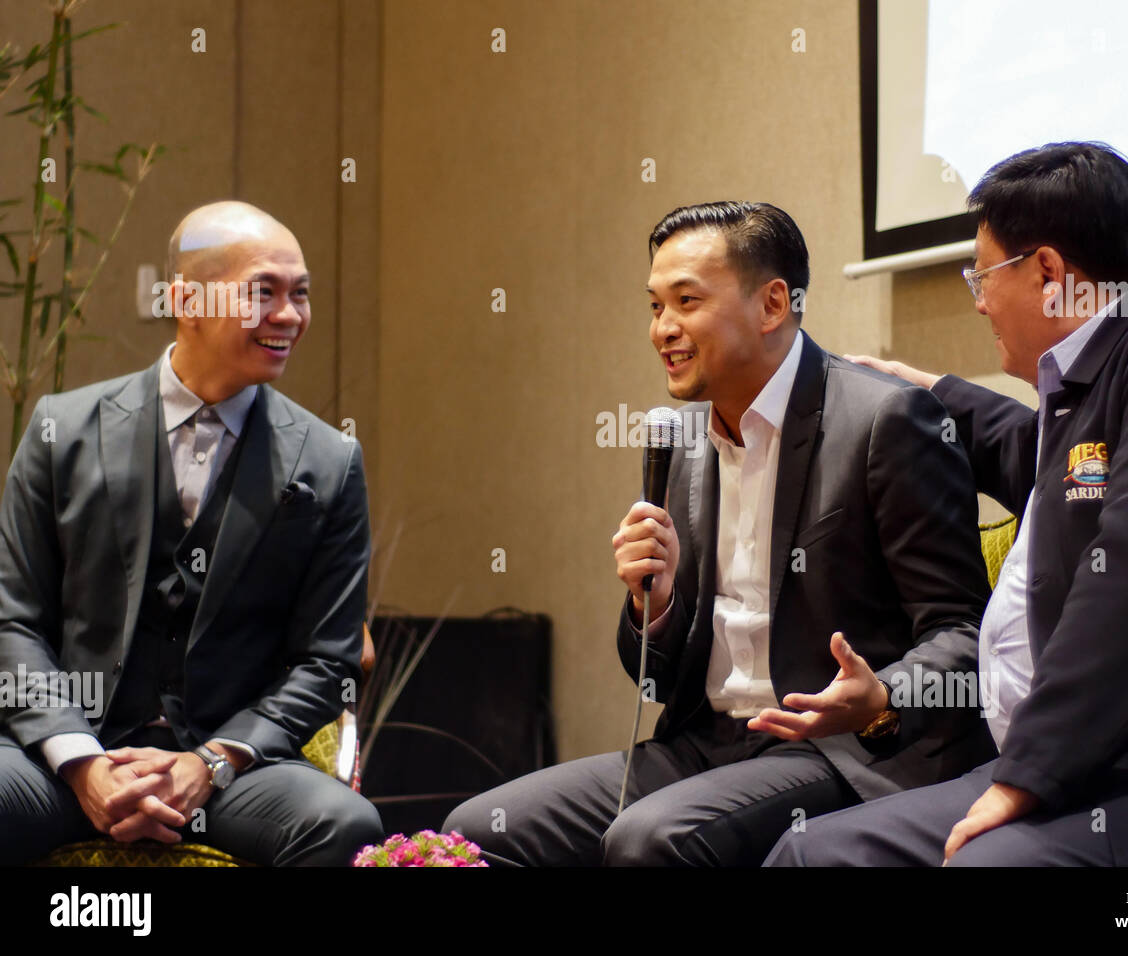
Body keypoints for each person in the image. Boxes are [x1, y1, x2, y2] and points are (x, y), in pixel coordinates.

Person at [765, 142, 1128, 867]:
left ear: (1048, 272)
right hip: (1086, 759)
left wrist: (1023, 779)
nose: (980, 299)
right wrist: (928, 390)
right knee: (816, 855)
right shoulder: (1105, 375)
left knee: (990, 866)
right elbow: (1057, 477)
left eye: (982, 275)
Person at [443, 201, 992, 865]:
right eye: (653, 306)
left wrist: (881, 695)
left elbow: (963, 634)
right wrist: (656, 607)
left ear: (772, 305)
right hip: (703, 742)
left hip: (843, 749)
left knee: (651, 840)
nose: (662, 330)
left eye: (686, 301)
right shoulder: (676, 440)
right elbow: (655, 680)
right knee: (479, 829)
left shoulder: (885, 420)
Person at [0, 200, 383, 866]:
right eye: (262, 292)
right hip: (64, 763)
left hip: (232, 776)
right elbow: (13, 622)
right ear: (185, 299)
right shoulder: (63, 430)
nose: (289, 315)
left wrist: (211, 761)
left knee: (340, 823)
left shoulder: (329, 462)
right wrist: (82, 763)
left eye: (301, 295)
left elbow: (330, 659)